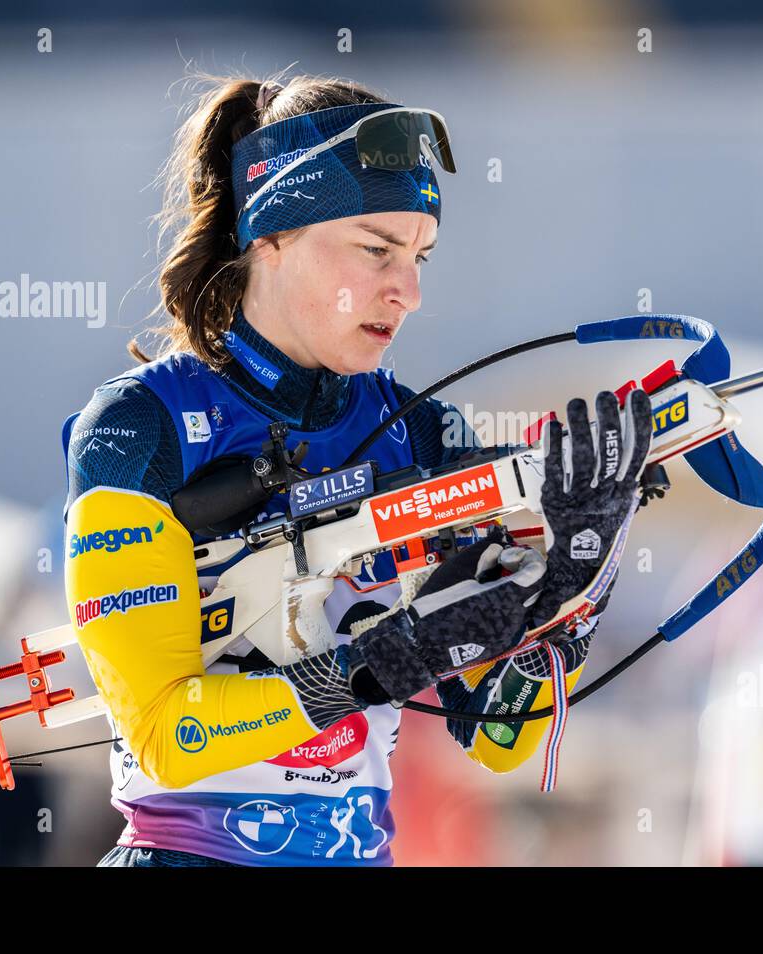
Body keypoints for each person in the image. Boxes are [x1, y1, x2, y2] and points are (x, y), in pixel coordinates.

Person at [62, 71, 653, 867]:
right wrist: (374, 669)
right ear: (269, 237)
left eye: (420, 256)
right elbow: (170, 732)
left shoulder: (421, 434)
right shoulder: (142, 428)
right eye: (375, 249)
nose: (406, 291)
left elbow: (498, 739)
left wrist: (573, 584)